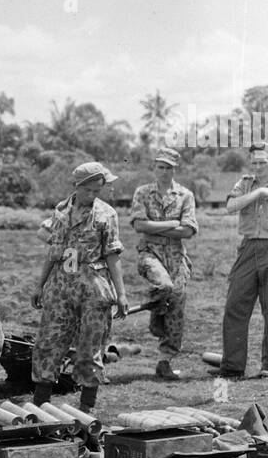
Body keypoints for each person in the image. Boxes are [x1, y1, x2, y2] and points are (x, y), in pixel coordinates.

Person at [31, 162, 128, 418]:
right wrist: (40, 285)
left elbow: (112, 255)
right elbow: (52, 251)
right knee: (48, 344)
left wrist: (121, 294)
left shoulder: (107, 215)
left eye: (99, 190)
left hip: (93, 287)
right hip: (60, 286)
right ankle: (41, 407)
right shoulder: (61, 211)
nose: (95, 195)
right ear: (79, 186)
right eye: (91, 190)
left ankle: (86, 411)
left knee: (90, 348)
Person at [128, 147, 197, 380]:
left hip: (177, 257)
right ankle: (156, 315)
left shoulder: (185, 195)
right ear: (154, 167)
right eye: (160, 166)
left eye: (168, 168)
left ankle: (165, 360)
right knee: (164, 286)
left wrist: (154, 226)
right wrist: (172, 223)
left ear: (174, 169)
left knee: (177, 304)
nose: (164, 171)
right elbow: (138, 225)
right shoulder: (143, 192)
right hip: (150, 253)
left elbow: (187, 230)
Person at [218, 145, 268, 379]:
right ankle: (232, 367)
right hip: (248, 247)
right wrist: (257, 194)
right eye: (255, 163)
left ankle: (266, 368)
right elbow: (230, 207)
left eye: (263, 162)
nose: (258, 167)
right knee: (235, 305)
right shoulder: (245, 183)